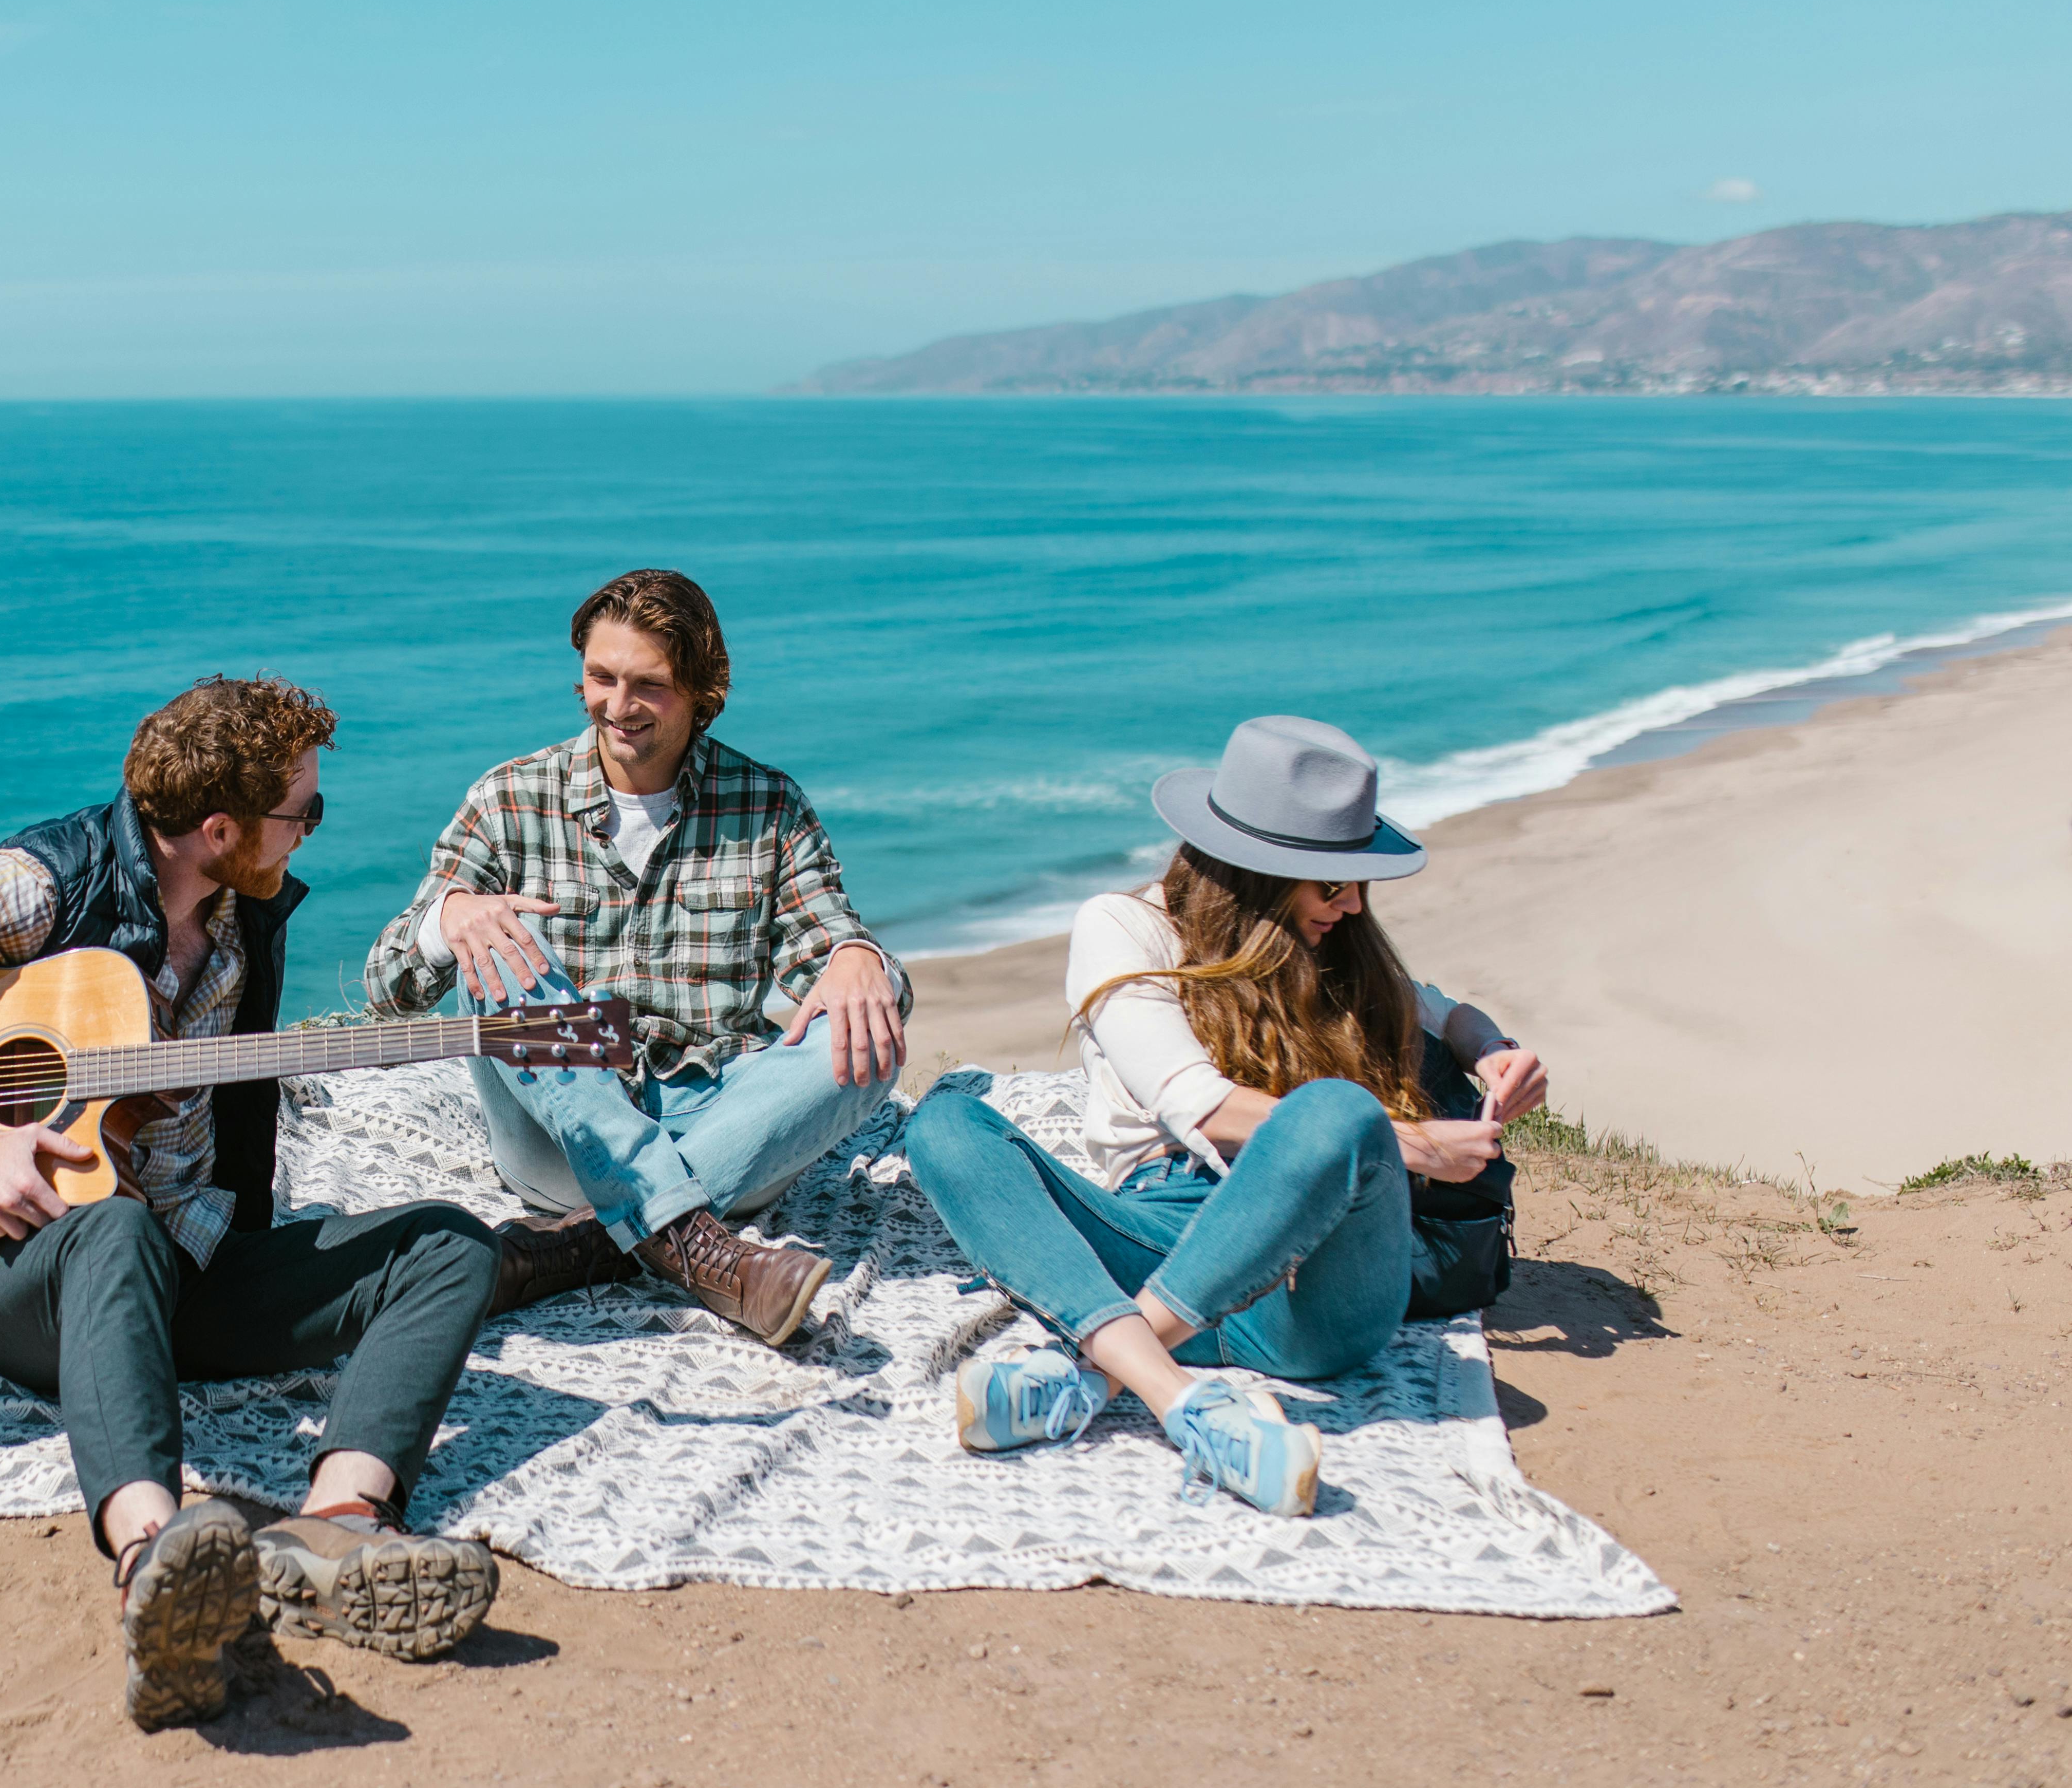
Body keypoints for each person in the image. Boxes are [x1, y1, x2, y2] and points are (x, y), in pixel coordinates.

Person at [0, 676, 504, 1730]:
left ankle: (336, 1522)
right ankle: (156, 1555)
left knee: (446, 1244)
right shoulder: (38, 886)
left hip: (185, 1261)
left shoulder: (240, 924)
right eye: (303, 813)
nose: (309, 833)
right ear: (218, 828)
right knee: (106, 1225)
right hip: (27, 1282)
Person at [900, 715, 1551, 1517]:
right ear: (1259, 873)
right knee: (943, 1126)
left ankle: (1099, 1373)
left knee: (1340, 1116)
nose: (1352, 904)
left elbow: (1443, 1012)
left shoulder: (1332, 943)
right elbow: (1198, 1106)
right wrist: (1414, 1144)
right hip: (1165, 1236)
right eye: (1331, 883)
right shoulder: (1125, 927)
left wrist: (1495, 1052)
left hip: (1310, 1289)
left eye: (1356, 882)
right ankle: (1184, 1404)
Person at [365, 570, 912, 1345]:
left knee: (870, 1037)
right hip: (560, 1140)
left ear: (701, 689)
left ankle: (590, 1245)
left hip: (719, 1112)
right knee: (500, 947)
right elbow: (387, 986)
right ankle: (685, 1232)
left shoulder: (768, 805)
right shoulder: (508, 798)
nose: (617, 708)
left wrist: (860, 958)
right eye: (601, 677)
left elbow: (828, 954)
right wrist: (449, 918)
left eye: (648, 685)